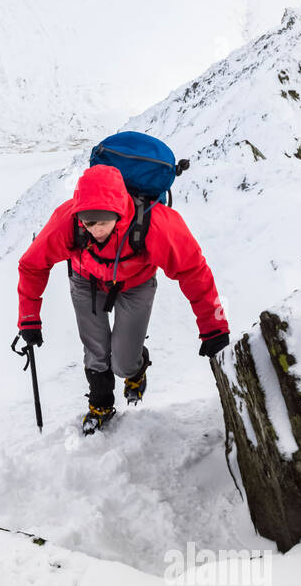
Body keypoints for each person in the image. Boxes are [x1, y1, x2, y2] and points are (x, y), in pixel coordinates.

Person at [16, 163, 230, 434]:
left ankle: (136, 369)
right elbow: (32, 265)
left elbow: (194, 271)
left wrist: (213, 328)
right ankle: (100, 404)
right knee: (96, 350)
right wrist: (29, 318)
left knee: (123, 362)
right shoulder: (68, 221)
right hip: (86, 281)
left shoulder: (154, 224)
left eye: (102, 222)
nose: (94, 230)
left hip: (135, 284)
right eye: (87, 222)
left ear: (119, 212)